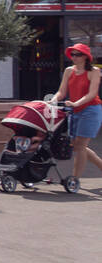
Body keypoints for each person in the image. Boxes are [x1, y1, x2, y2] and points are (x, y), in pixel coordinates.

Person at [54, 43, 102, 182]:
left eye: (77, 54)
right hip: (74, 111)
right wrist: (54, 99)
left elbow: (92, 94)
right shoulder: (69, 71)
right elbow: (62, 91)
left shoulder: (94, 72)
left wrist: (76, 103)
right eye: (72, 54)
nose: (74, 57)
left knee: (80, 145)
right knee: (77, 146)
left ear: (86, 57)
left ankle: (74, 179)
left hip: (91, 110)